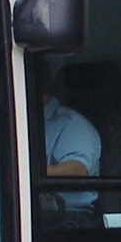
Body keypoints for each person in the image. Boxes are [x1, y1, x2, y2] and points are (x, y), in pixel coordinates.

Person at [42, 71, 102, 210]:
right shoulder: (18, 122)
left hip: (70, 215)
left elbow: (78, 169)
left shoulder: (72, 124)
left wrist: (24, 173)